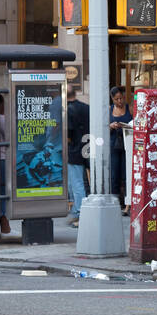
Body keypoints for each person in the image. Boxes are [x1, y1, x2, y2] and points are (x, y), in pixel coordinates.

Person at [65, 86, 89, 227]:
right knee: (80, 182)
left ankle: (80, 213)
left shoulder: (69, 110)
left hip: (74, 149)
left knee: (76, 183)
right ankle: (76, 211)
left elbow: (69, 133)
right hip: (87, 146)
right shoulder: (86, 107)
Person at [108, 86, 132, 206]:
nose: (120, 101)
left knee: (126, 173)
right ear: (112, 98)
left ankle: (127, 200)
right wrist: (110, 126)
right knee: (114, 174)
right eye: (117, 99)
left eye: (121, 98)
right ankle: (116, 201)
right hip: (113, 145)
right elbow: (102, 128)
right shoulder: (109, 110)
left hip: (127, 145)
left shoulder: (130, 109)